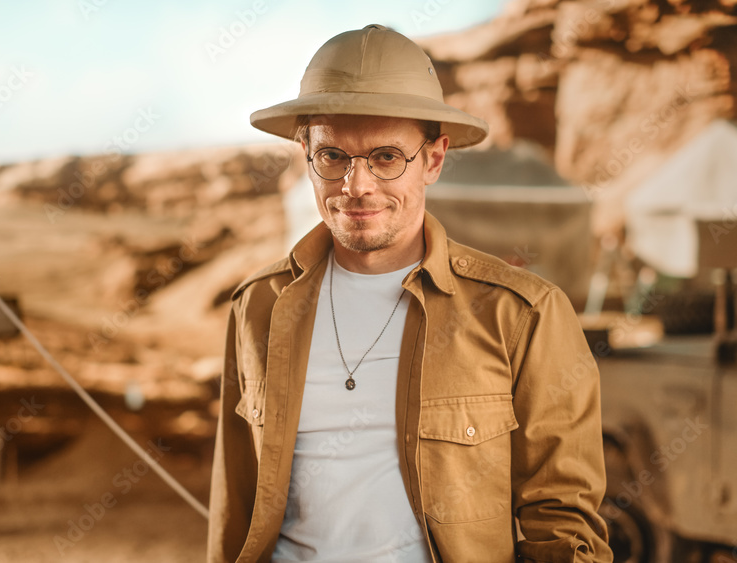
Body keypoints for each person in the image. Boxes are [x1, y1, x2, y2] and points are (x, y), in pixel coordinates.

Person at [208, 24, 613, 563]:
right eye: (332, 156)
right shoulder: (258, 305)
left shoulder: (521, 315)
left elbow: (563, 523)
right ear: (305, 154)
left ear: (434, 160)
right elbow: (234, 507)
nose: (356, 186)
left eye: (385, 157)